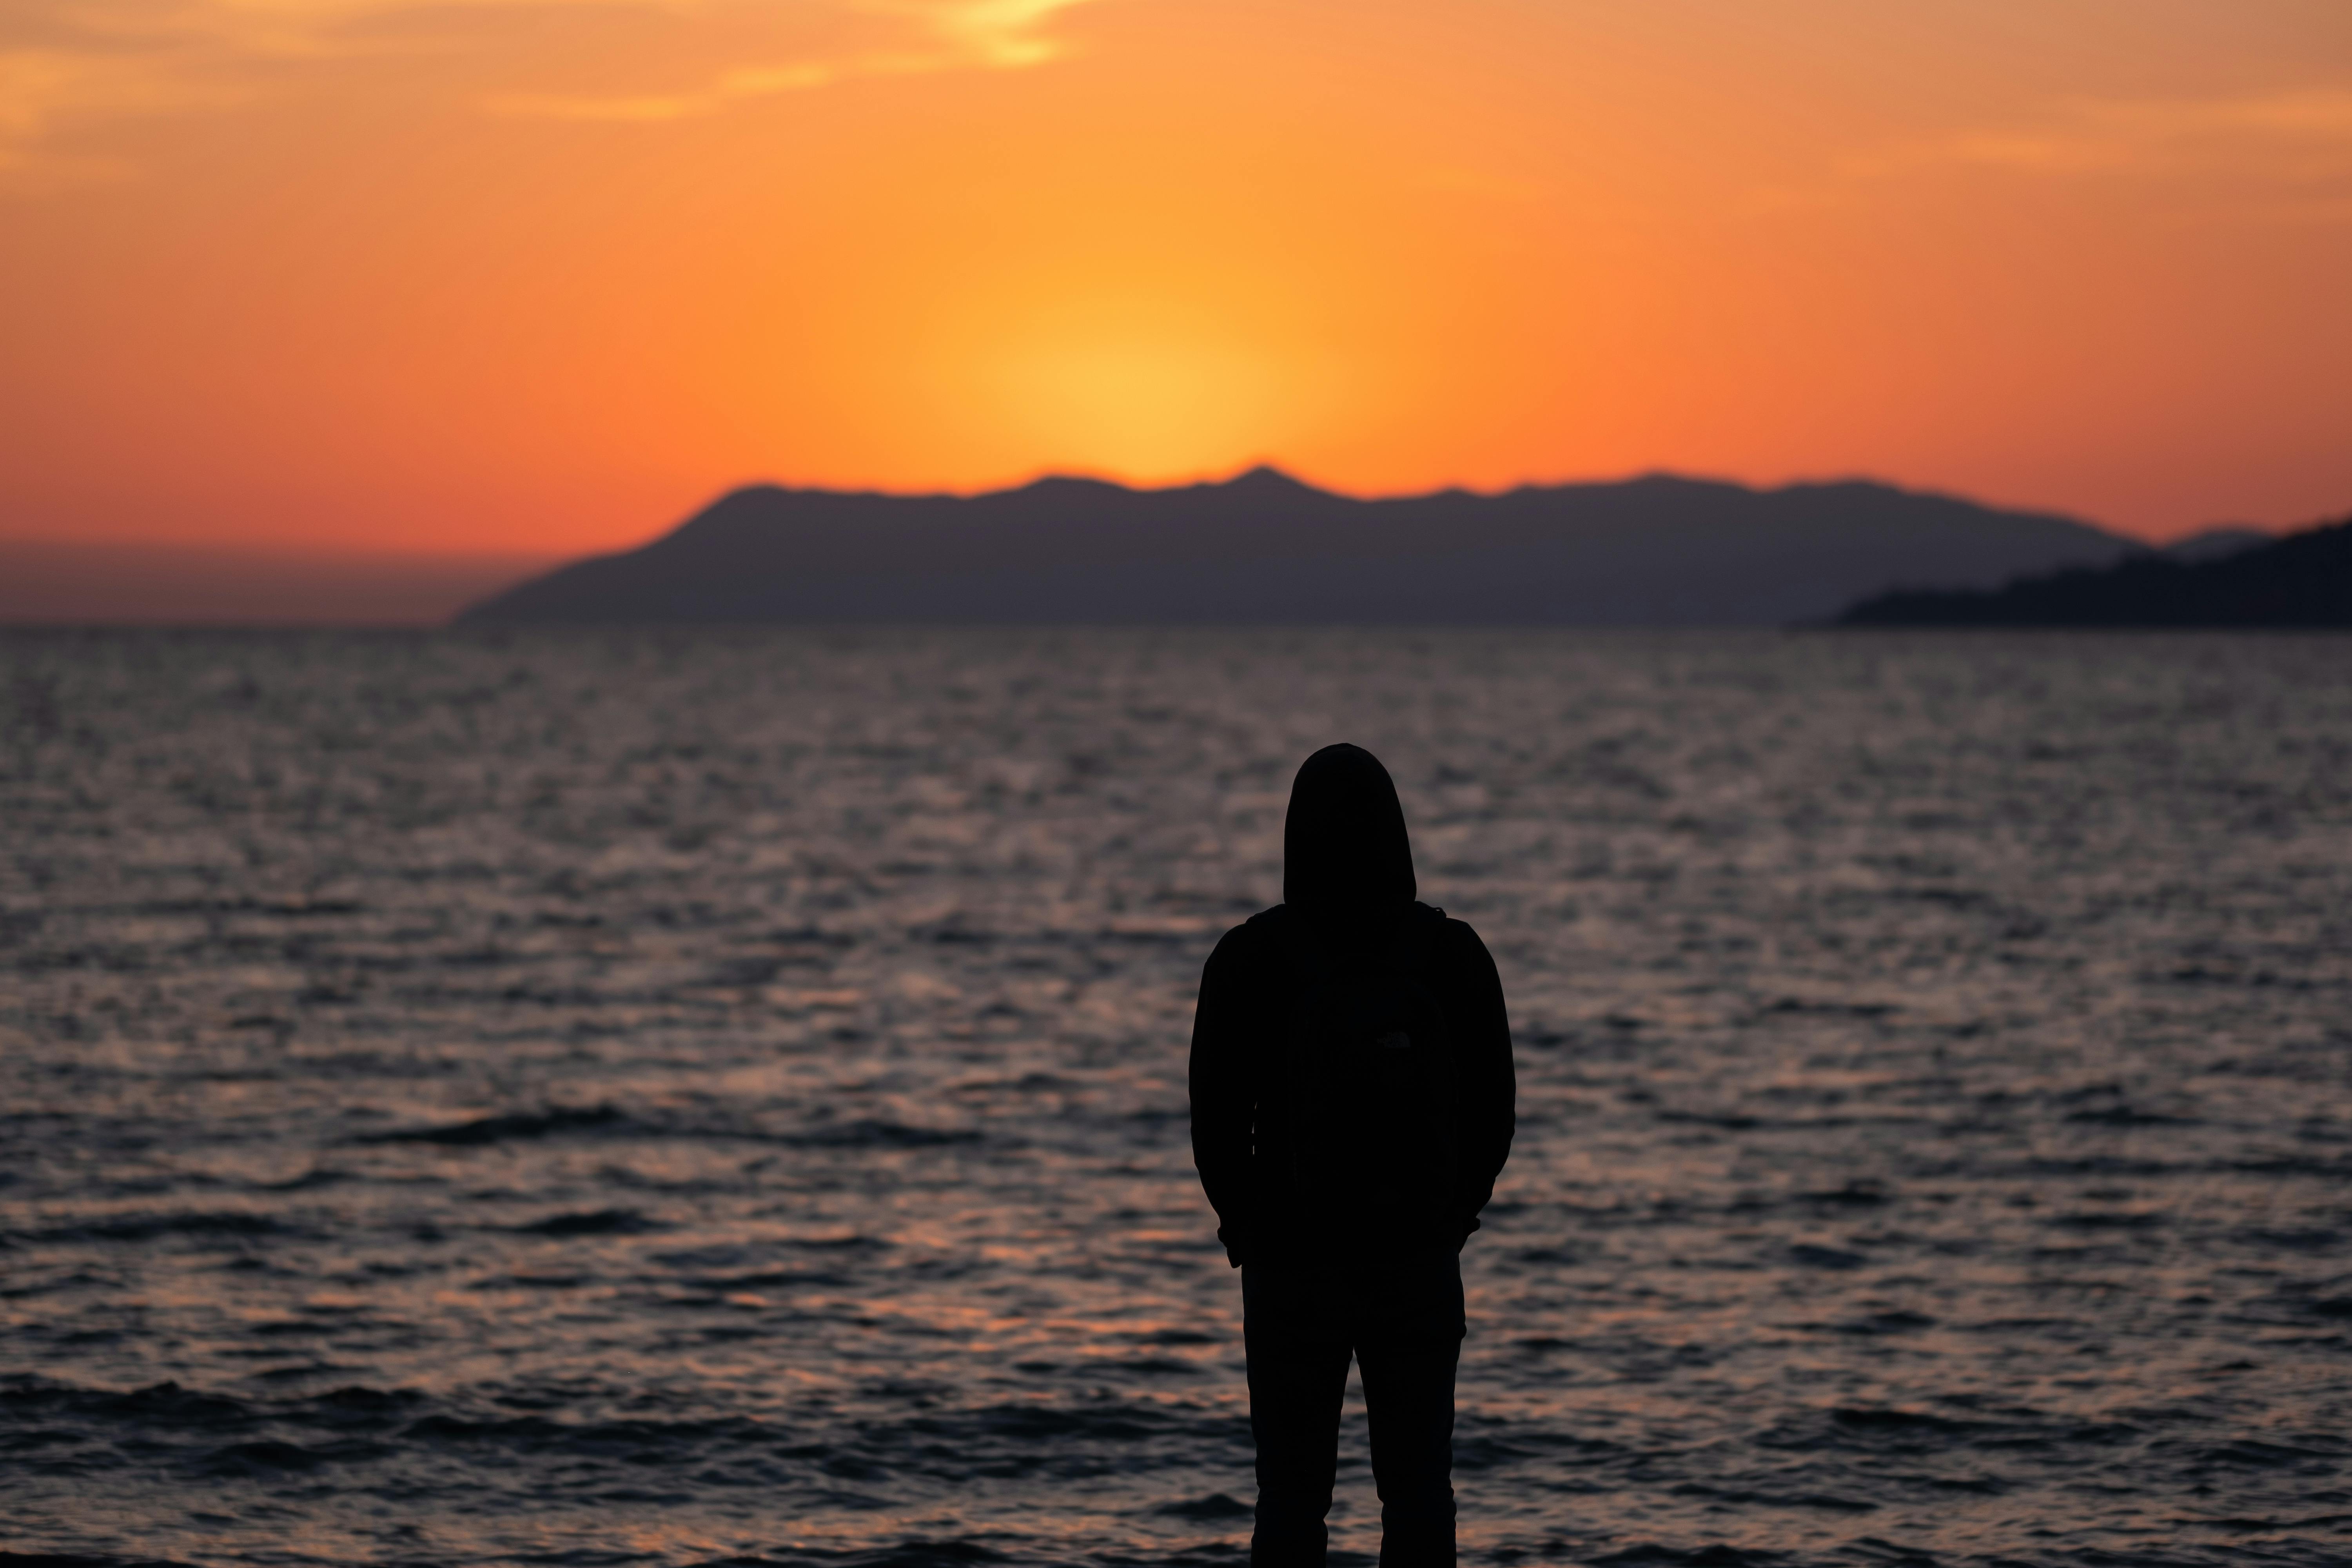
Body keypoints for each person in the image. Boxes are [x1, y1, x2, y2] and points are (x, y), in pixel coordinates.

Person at [1189, 743, 1515, 1568]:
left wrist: (1250, 1229)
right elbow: (1495, 1114)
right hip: (1416, 1261)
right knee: (1418, 1496)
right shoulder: (1453, 955)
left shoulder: (1249, 959)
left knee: (1292, 1500)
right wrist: (1449, 1218)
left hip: (1291, 1267)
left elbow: (1214, 1124)